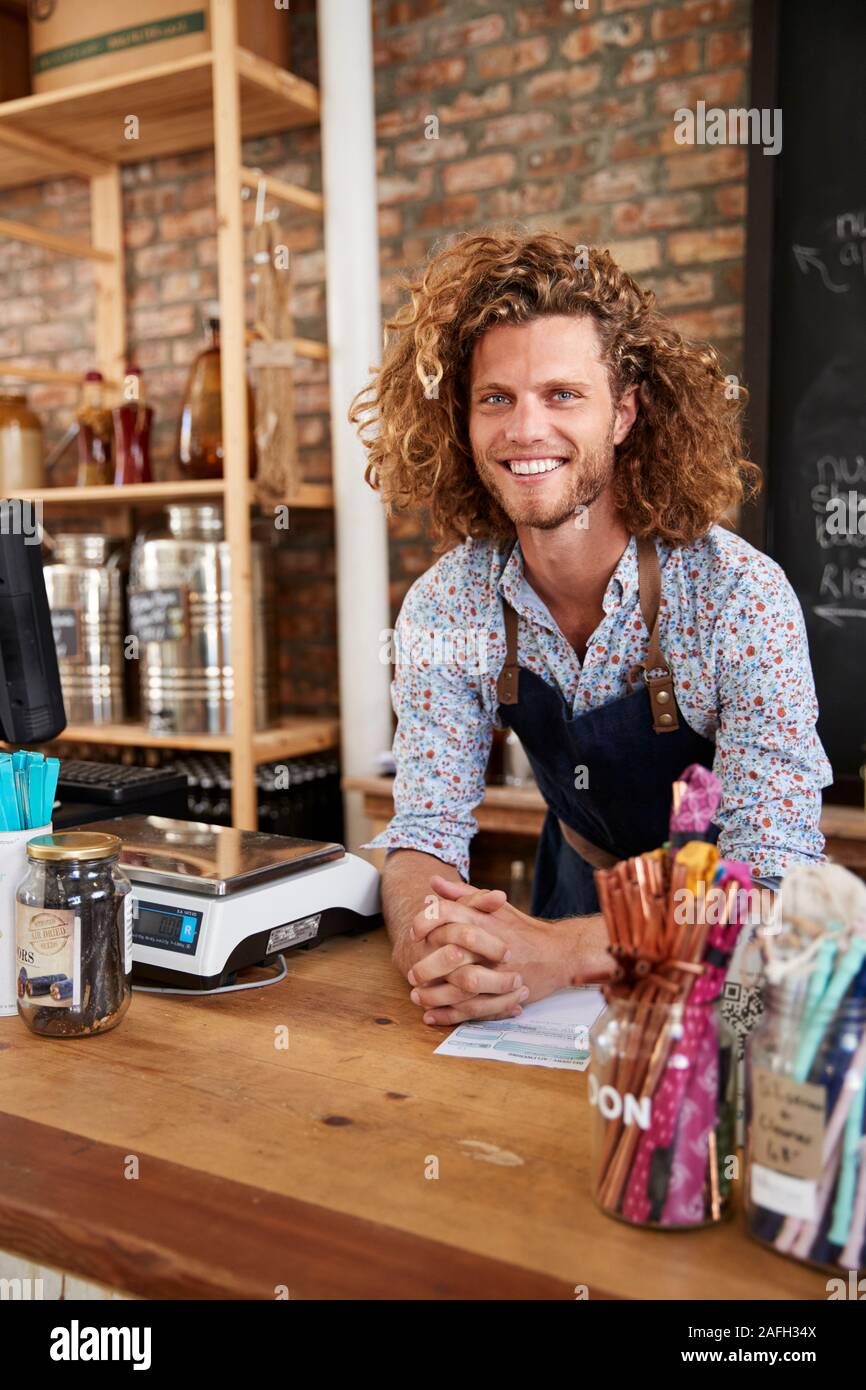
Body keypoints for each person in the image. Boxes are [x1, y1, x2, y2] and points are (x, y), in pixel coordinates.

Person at [350, 231, 831, 1028]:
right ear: (463, 423)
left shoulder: (737, 597)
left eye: (562, 395)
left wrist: (562, 952)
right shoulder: (447, 608)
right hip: (566, 903)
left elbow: (772, 883)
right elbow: (423, 834)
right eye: (496, 398)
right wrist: (430, 943)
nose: (524, 430)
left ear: (625, 413)